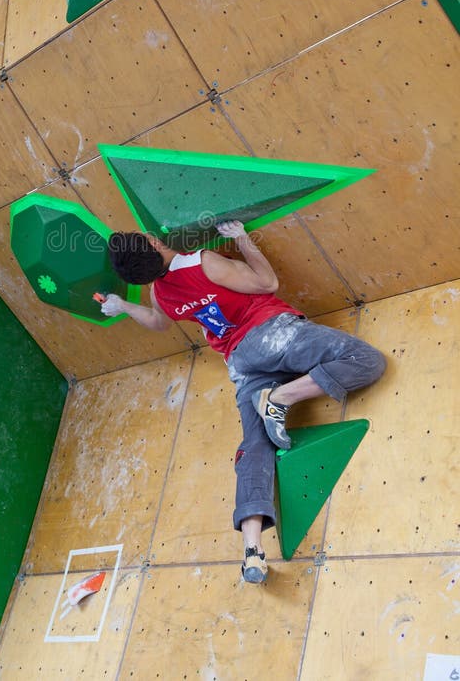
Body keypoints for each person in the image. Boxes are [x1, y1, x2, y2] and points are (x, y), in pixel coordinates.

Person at [99, 221, 386, 584]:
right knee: (367, 361)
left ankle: (252, 549)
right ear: (153, 242)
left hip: (241, 364)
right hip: (270, 334)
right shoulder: (202, 262)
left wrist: (122, 305)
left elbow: (158, 323)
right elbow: (268, 284)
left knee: (255, 446)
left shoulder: (161, 294)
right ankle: (280, 397)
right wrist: (242, 238)